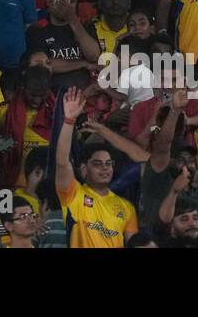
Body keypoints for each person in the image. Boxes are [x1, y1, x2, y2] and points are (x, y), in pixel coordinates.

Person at [54, 88, 140, 247]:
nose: (105, 168)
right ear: (84, 169)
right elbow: (61, 162)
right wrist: (69, 121)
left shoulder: (126, 207)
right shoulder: (74, 195)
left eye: (109, 164)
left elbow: (134, 244)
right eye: (97, 163)